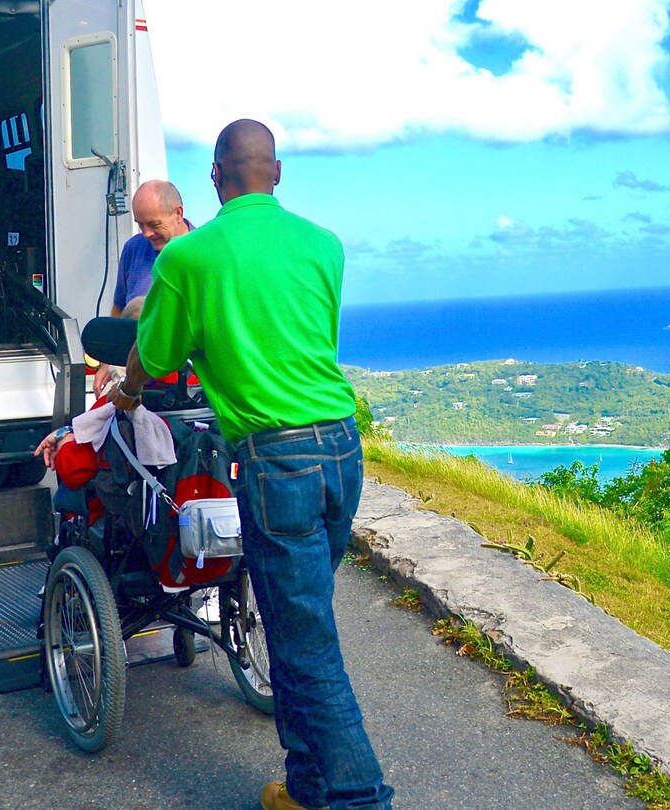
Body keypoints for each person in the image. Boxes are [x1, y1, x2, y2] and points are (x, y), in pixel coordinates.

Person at [111, 120, 392, 810]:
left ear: (214, 177)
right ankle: (306, 786)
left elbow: (160, 354)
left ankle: (360, 799)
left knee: (307, 646)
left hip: (277, 460)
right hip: (342, 449)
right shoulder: (324, 246)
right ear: (278, 172)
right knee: (301, 622)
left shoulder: (190, 259)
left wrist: (127, 390)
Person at [94, 180, 193, 396]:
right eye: (140, 225)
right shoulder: (133, 248)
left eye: (154, 225)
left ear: (178, 213)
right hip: (131, 373)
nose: (147, 233)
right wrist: (107, 362)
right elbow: (119, 307)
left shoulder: (204, 252)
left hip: (187, 380)